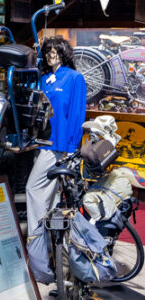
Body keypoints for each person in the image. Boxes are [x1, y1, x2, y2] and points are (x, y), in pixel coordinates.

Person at [25, 36, 87, 235]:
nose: (50, 55)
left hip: (58, 145)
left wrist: (72, 147)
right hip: (41, 142)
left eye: (55, 51)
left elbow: (77, 114)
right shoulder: (44, 79)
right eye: (47, 51)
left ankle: (35, 238)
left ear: (63, 53)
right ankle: (50, 242)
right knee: (50, 195)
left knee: (33, 188)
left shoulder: (74, 78)